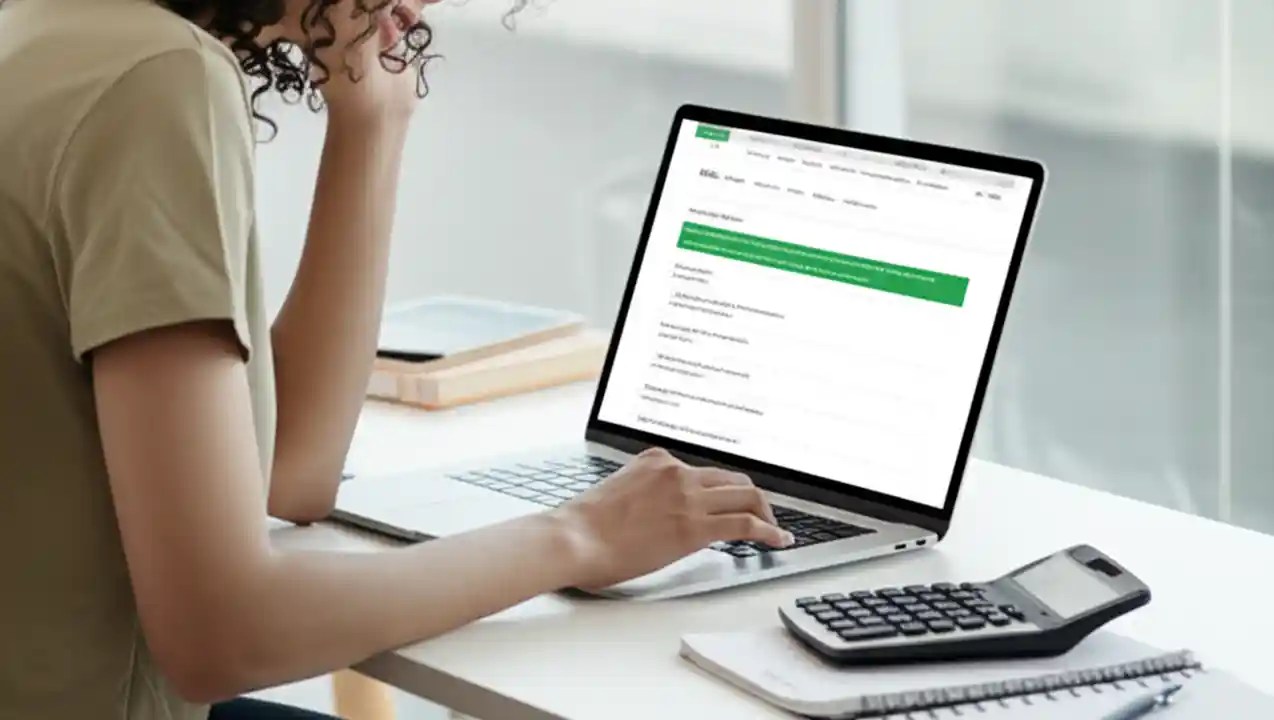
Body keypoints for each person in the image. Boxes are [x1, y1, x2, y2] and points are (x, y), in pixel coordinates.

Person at [0, 0, 794, 718]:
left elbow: (289, 472)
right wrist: (578, 537)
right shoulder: (156, 81)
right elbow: (223, 631)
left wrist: (372, 125)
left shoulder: (56, 27)